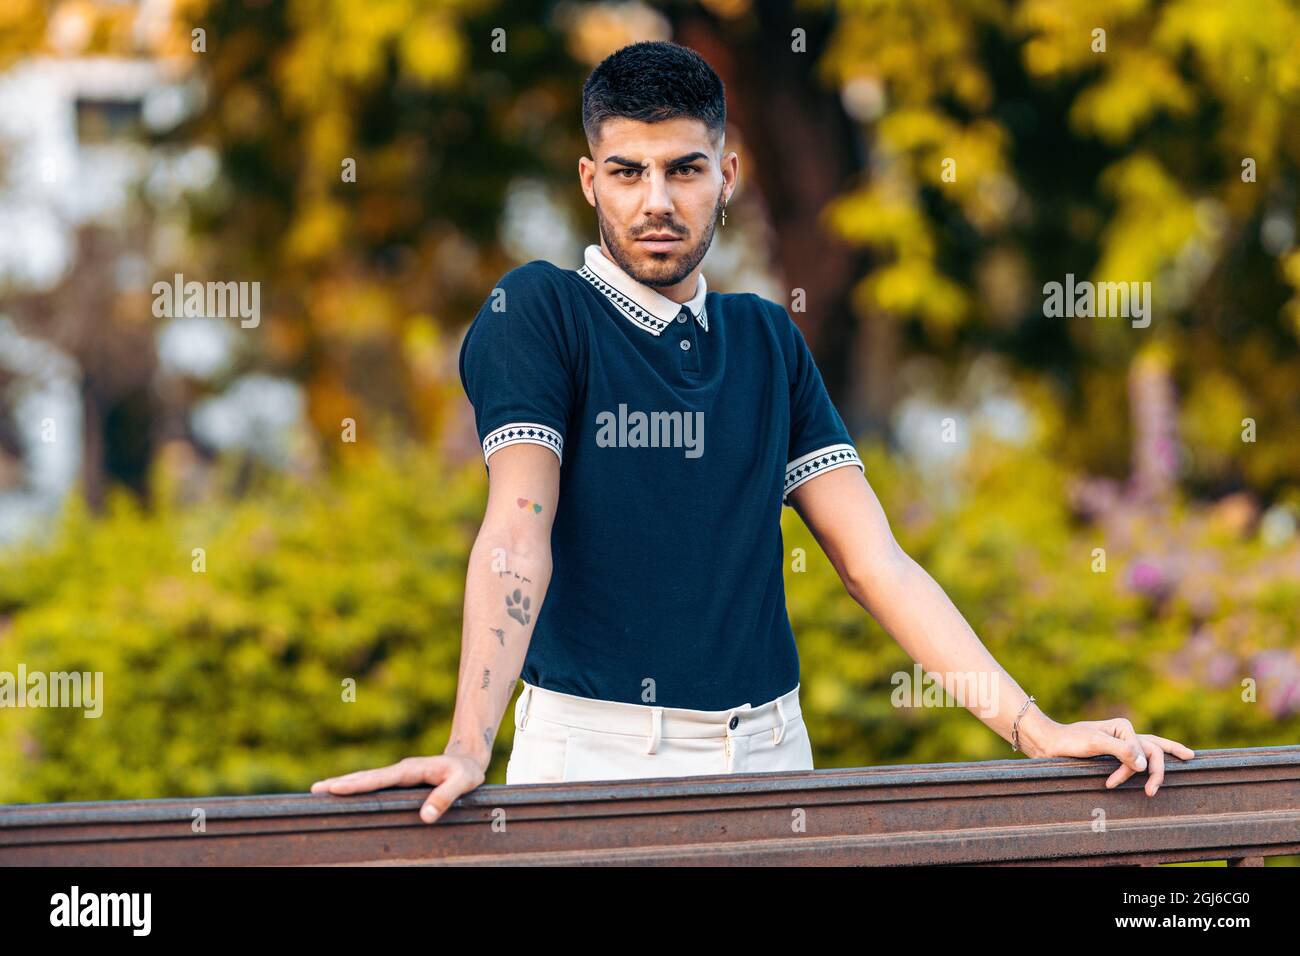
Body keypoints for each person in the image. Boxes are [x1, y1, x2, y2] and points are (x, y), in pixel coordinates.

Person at [311, 40, 1194, 824]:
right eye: (627, 171)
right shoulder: (540, 311)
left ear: (726, 176)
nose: (656, 200)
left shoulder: (768, 340)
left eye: (685, 170)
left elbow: (874, 562)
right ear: (590, 181)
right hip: (600, 759)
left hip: (775, 757)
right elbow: (516, 531)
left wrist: (1033, 727)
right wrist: (470, 743)